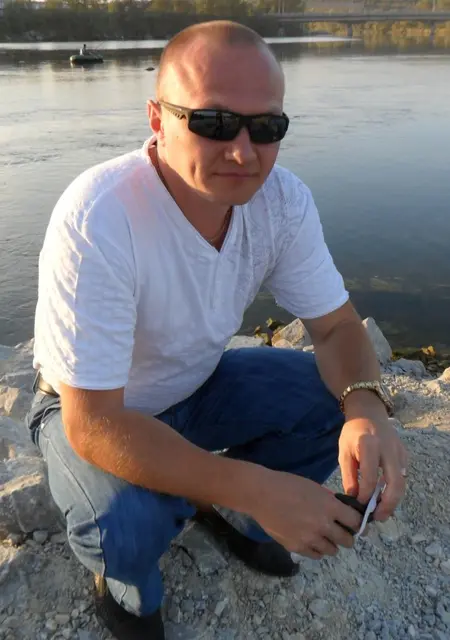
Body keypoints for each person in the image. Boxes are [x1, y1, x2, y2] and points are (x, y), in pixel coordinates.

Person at [26, 20, 408, 640]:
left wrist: (367, 408)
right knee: (126, 526)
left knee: (330, 401)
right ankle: (128, 586)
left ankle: (235, 516)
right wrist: (253, 485)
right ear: (158, 119)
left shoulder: (281, 202)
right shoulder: (100, 216)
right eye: (214, 122)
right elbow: (92, 422)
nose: (243, 152)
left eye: (267, 127)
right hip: (93, 408)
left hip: (200, 382)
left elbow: (338, 329)